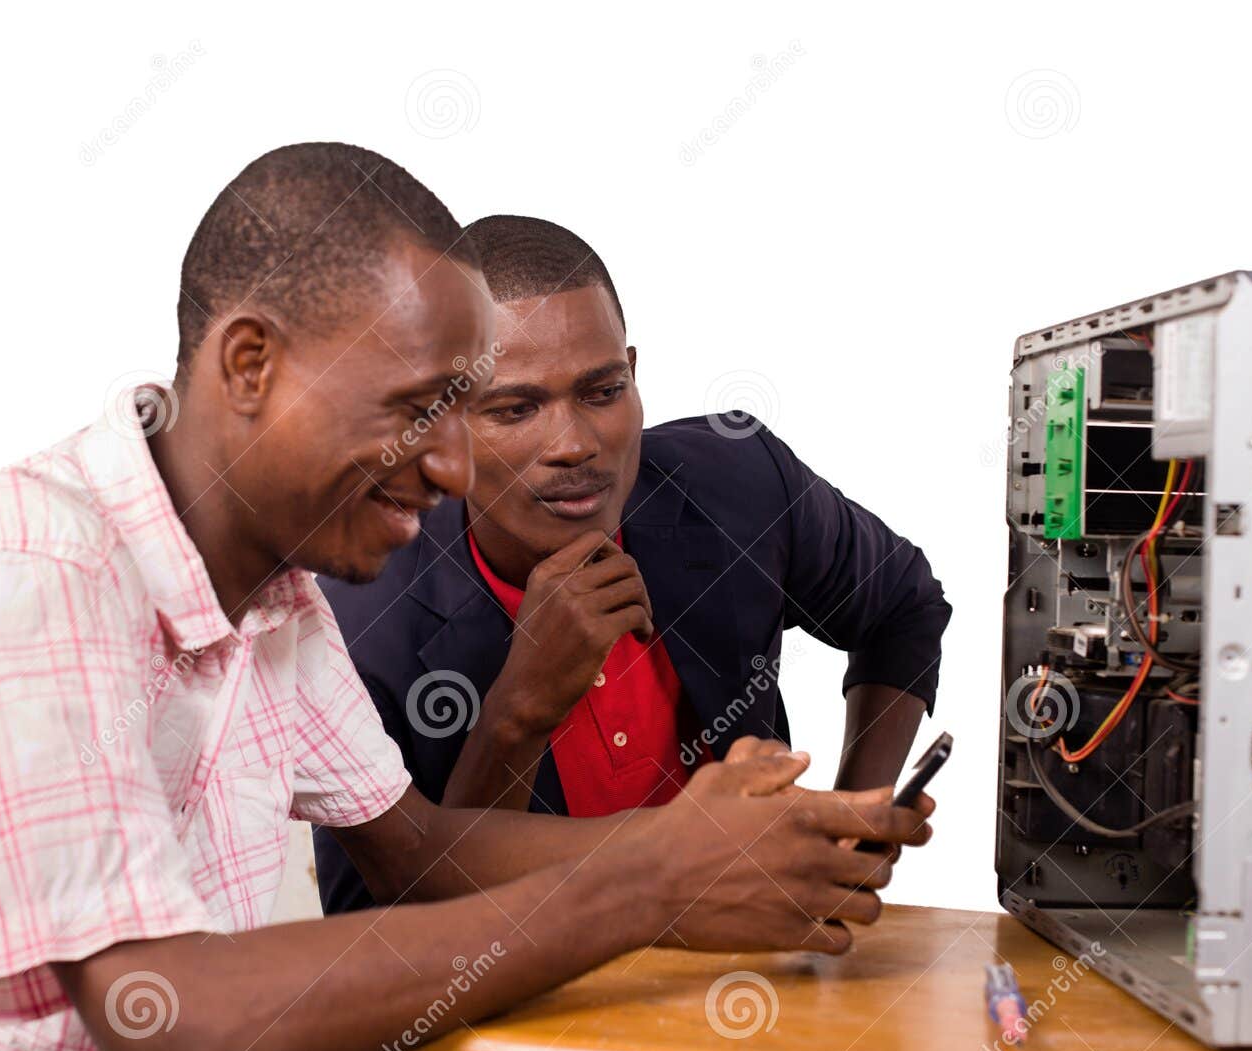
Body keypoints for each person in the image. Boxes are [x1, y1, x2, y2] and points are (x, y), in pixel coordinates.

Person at [0, 145, 932, 1051]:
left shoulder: (280, 591)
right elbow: (170, 1018)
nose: (452, 469)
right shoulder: (22, 568)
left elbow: (417, 854)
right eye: (419, 411)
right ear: (250, 365)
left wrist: (719, 841)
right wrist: (653, 880)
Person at [315, 214, 951, 915]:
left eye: (602, 392)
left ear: (634, 375)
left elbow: (903, 604)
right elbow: (376, 937)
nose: (574, 444)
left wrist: (851, 824)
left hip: (759, 963)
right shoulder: (356, 622)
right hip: (530, 982)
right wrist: (516, 715)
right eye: (515, 408)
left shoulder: (737, 482)